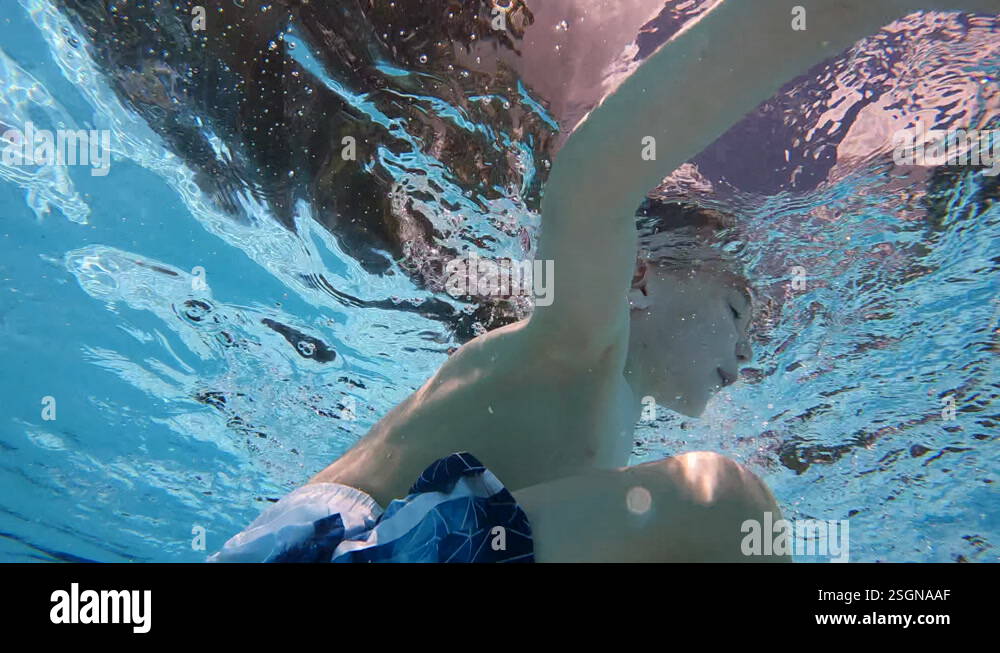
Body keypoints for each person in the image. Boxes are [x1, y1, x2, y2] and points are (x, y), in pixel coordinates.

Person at [208, 0, 990, 563]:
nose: (748, 354)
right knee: (727, 503)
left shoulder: (605, 422)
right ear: (639, 277)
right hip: (325, 550)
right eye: (734, 308)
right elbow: (590, 183)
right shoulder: (578, 342)